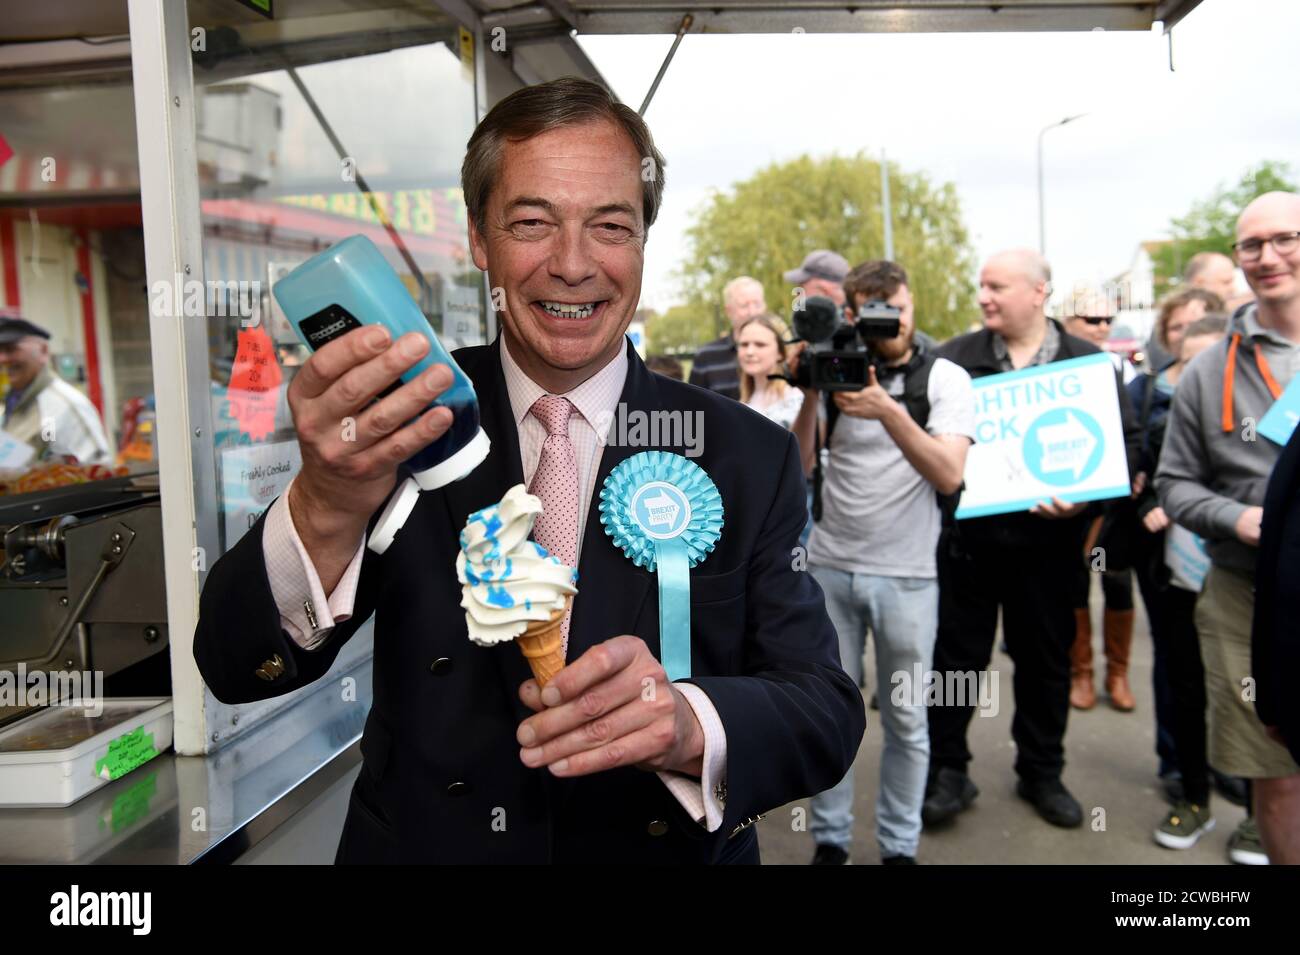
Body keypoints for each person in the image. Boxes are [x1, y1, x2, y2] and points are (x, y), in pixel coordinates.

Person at [190, 77, 864, 864]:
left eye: (610, 225)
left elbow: (824, 709)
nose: (572, 265)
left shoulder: (747, 452)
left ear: (645, 237)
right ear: (479, 238)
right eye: (532, 222)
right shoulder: (398, 414)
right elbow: (236, 668)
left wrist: (690, 723)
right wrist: (326, 501)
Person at [923, 249, 1140, 831]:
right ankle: (948, 770)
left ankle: (1042, 771)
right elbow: (926, 442)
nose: (984, 296)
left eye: (997, 286)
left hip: (1053, 548)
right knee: (955, 662)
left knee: (1045, 663)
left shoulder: (1088, 363)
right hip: (968, 543)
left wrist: (1087, 498)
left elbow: (1129, 444)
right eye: (982, 286)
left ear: (1039, 292)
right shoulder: (953, 361)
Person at [791, 260, 974, 865]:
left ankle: (899, 848)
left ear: (909, 300)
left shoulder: (942, 376)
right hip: (831, 567)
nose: (882, 318)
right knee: (829, 713)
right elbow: (798, 467)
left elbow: (949, 473)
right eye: (867, 307)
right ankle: (831, 840)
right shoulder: (837, 360)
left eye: (889, 304)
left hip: (908, 577)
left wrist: (888, 409)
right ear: (849, 311)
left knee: (906, 721)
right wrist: (816, 388)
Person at [1157, 191, 1300, 865]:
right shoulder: (1211, 367)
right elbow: (1173, 484)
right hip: (1249, 599)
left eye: (1285, 239)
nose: (1268, 257)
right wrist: (1236, 517)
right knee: (1275, 775)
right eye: (1252, 245)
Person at [1128, 314, 1227, 850]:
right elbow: (1142, 483)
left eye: (1212, 363)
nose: (1197, 377)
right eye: (1188, 364)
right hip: (1176, 580)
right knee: (1184, 685)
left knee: (1251, 694)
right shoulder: (1166, 427)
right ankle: (1194, 797)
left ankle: (1261, 809)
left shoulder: (1267, 431)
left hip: (1245, 583)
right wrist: (1151, 506)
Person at [0, 312, 111, 467]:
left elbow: (99, 469)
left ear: (44, 351)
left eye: (11, 349)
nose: (2, 359)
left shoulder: (64, 404)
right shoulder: (12, 403)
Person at [687, 276, 766, 399]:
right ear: (729, 311)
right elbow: (693, 406)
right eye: (744, 306)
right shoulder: (706, 356)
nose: (752, 312)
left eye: (757, 304)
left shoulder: (780, 351)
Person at [736, 314, 802, 430]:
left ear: (781, 352)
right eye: (744, 344)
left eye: (760, 345)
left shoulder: (796, 399)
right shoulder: (741, 403)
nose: (749, 352)